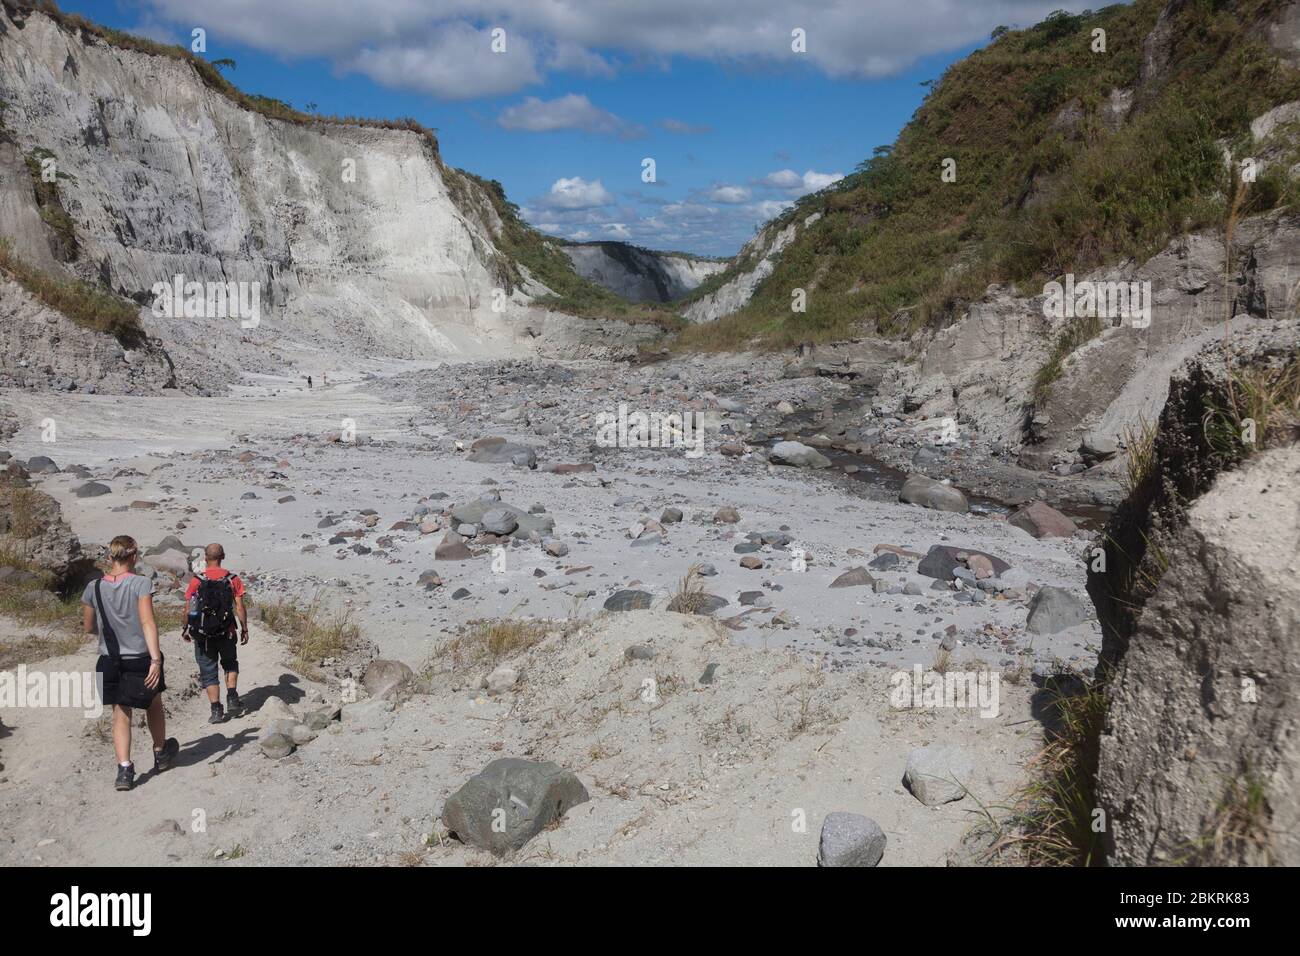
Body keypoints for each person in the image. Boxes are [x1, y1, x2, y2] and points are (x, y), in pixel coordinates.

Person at [82, 535, 179, 791]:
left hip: (109, 658)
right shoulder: (140, 583)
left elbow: (89, 626)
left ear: (111, 557)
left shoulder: (93, 587)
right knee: (153, 702)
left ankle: (124, 769)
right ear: (133, 556)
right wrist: (156, 660)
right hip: (139, 657)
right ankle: (160, 752)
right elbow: (148, 622)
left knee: (120, 714)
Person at [183, 543, 250, 723]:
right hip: (226, 631)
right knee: (229, 662)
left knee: (208, 670)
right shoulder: (232, 579)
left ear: (205, 558)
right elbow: (240, 607)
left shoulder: (197, 580)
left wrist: (186, 628)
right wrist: (244, 628)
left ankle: (216, 711)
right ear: (223, 557)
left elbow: (188, 607)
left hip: (203, 634)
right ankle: (233, 697)